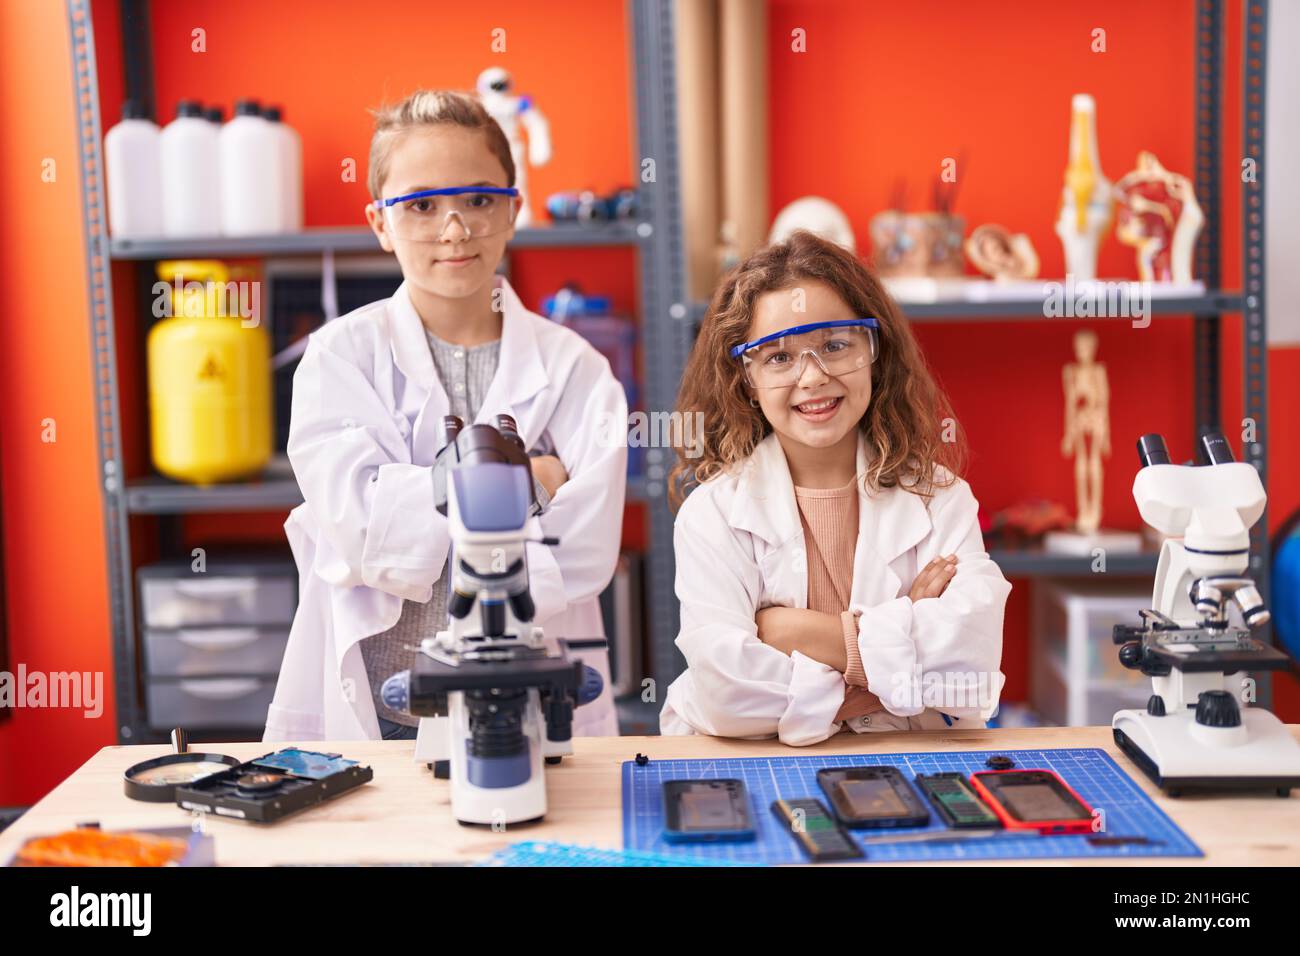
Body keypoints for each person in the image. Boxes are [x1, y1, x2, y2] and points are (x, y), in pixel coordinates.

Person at [264, 90, 626, 741]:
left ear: (513, 211)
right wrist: (533, 482)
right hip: (383, 713)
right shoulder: (338, 358)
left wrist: (420, 493)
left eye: (479, 200)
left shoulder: (577, 367)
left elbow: (584, 554)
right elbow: (360, 532)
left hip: (536, 711)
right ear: (380, 222)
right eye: (423, 205)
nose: (455, 228)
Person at [659, 230, 1010, 745]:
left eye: (835, 345)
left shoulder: (942, 499)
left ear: (874, 351)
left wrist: (793, 633)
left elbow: (972, 673)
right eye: (779, 357)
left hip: (915, 760)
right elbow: (724, 695)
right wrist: (901, 646)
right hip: (753, 769)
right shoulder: (712, 514)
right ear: (745, 378)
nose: (812, 377)